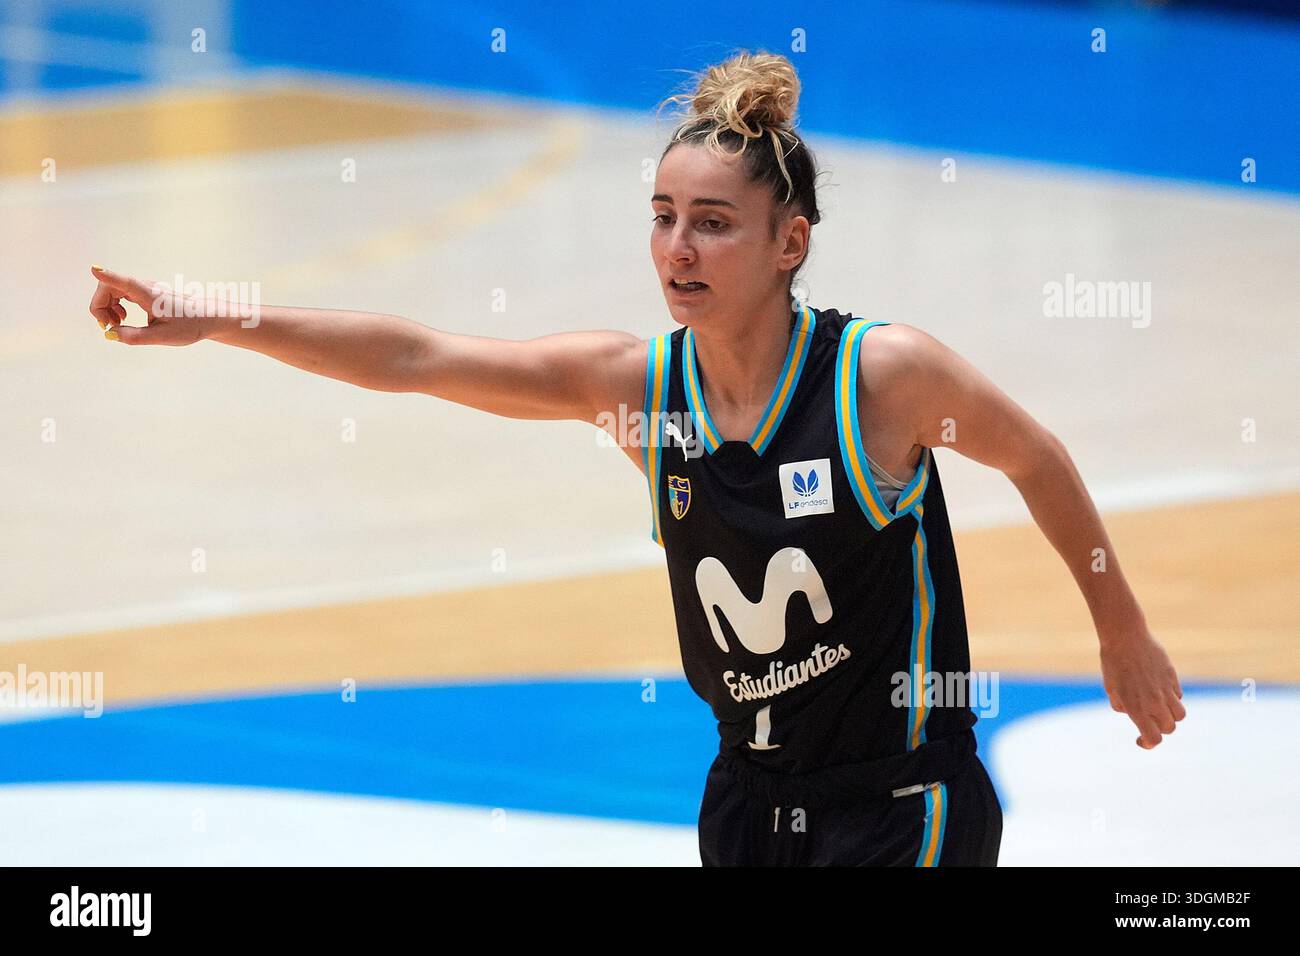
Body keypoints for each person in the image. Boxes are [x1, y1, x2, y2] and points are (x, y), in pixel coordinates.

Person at [87, 50, 1185, 867]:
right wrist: (212, 314)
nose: (676, 247)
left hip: (902, 803)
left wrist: (1121, 627)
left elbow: (1037, 459)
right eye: (662, 217)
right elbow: (415, 354)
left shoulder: (880, 378)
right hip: (747, 801)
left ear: (787, 241)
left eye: (711, 222)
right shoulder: (636, 390)